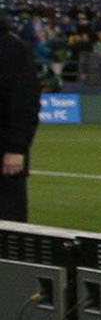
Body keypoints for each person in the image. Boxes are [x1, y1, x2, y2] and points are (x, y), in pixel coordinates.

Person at [0, 23, 38, 220]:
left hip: (5, 155)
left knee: (8, 225)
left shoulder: (11, 47)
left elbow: (25, 101)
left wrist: (16, 148)